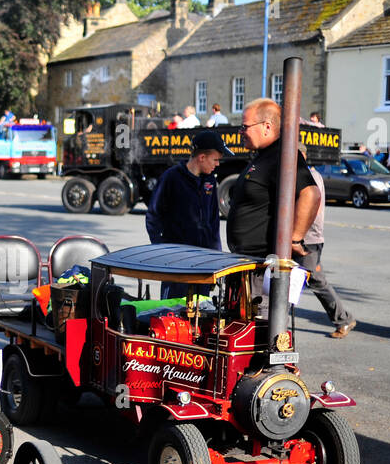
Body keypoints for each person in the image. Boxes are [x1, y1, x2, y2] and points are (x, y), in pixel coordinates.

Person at [226, 98, 321, 320]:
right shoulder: (263, 156)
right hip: (246, 264)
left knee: (259, 336)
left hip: (261, 267)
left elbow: (311, 194)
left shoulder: (283, 155)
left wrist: (294, 239)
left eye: (245, 126)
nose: (241, 131)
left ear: (267, 126)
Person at [146, 130, 227, 297]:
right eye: (215, 159)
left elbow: (213, 223)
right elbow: (153, 216)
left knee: (201, 310)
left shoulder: (210, 181)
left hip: (203, 263)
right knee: (173, 311)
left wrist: (216, 257)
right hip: (176, 263)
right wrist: (162, 249)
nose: (218, 164)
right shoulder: (171, 178)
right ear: (202, 157)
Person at [299, 161, 356, 338]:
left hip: (308, 238)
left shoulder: (310, 176)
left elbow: (310, 207)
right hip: (305, 236)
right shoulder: (309, 174)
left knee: (315, 279)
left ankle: (343, 319)